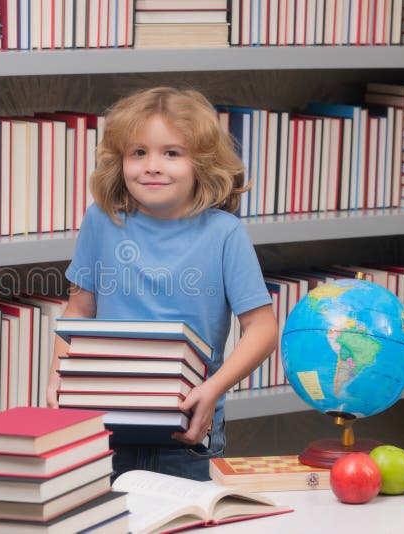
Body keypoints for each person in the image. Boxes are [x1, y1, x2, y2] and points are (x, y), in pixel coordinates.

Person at [46, 86, 278, 481]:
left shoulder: (224, 233)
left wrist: (214, 390)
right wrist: (58, 375)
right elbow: (79, 311)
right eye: (138, 153)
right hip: (104, 427)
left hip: (187, 433)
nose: (152, 166)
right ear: (118, 160)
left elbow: (263, 328)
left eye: (172, 153)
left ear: (201, 163)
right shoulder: (102, 220)